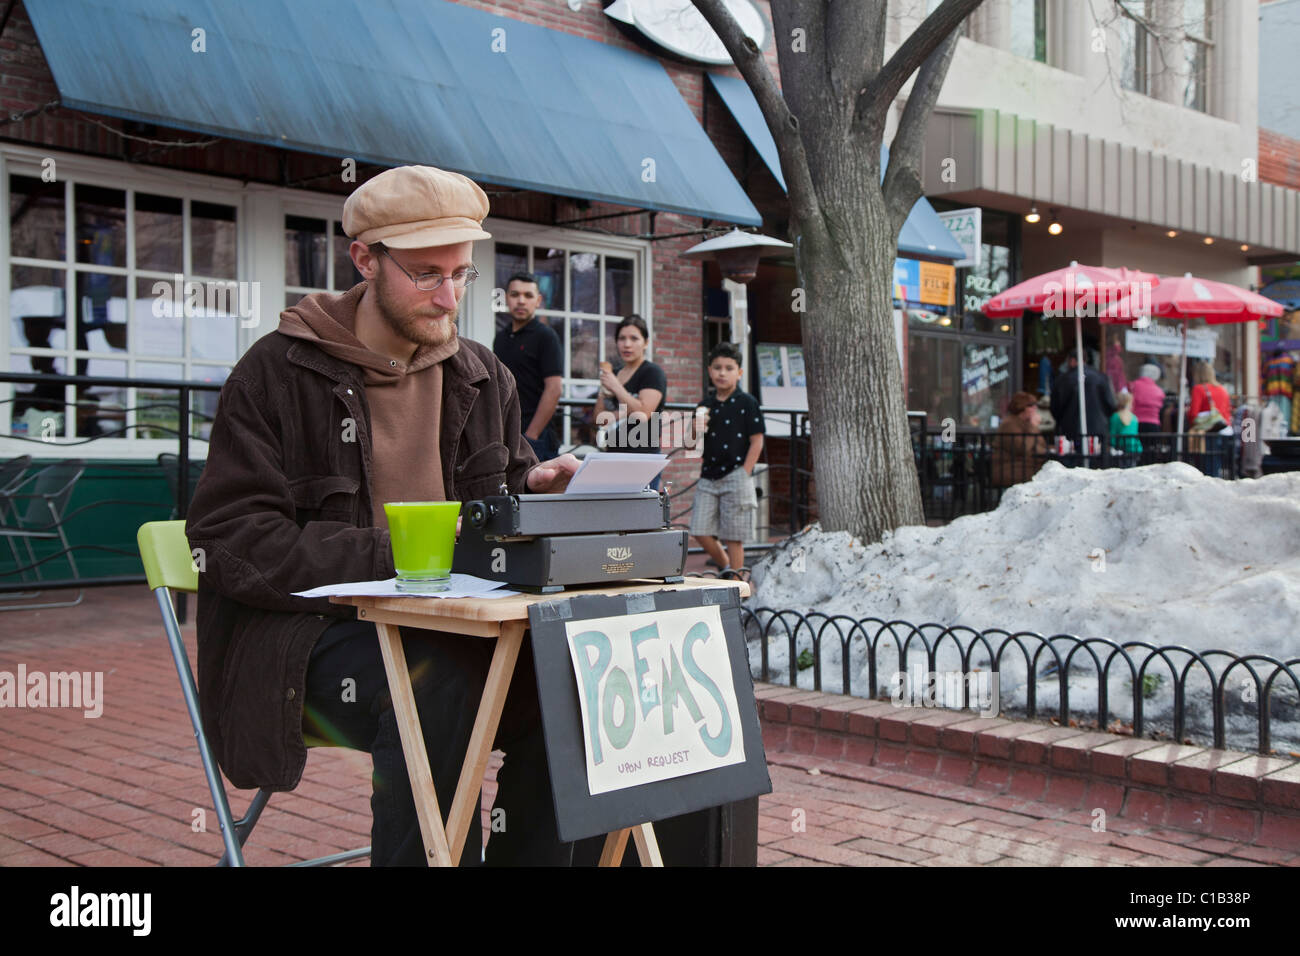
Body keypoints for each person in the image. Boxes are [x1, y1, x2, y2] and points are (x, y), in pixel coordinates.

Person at [185, 165, 580, 867]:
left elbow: (501, 498)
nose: (449, 296)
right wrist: (396, 554)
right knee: (438, 679)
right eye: (427, 274)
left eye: (462, 274)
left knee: (572, 682)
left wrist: (538, 493)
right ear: (364, 258)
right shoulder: (275, 373)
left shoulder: (483, 374)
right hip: (309, 641)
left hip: (462, 628)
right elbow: (230, 542)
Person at [690, 342, 765, 573]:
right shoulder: (705, 405)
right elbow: (692, 446)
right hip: (709, 476)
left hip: (736, 474)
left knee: (734, 536)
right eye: (717, 367)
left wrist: (745, 472)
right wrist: (694, 428)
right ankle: (725, 567)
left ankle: (737, 582)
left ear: (739, 372)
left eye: (729, 368)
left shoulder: (748, 403)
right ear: (710, 371)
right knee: (700, 530)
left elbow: (757, 440)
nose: (722, 372)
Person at [493, 272, 563, 461]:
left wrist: (531, 435)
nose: (521, 301)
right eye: (515, 295)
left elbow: (554, 389)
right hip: (505, 435)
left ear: (538, 301)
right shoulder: (501, 338)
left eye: (528, 295)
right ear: (506, 297)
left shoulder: (546, 336)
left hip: (536, 437)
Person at [596, 314, 667, 485]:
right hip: (612, 456)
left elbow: (643, 413)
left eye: (634, 338)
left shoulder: (652, 372)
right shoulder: (616, 373)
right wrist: (603, 391)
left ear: (646, 342)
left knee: (641, 511)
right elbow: (599, 418)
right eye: (622, 338)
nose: (627, 344)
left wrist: (616, 387)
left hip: (642, 458)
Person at [1050, 350, 1117, 452]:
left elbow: (1055, 407)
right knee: (1096, 464)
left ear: (1072, 360)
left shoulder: (1063, 379)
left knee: (1072, 463)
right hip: (1097, 430)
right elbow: (1110, 405)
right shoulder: (1101, 377)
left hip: (1070, 430)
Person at [991, 391, 1047, 488]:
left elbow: (1041, 444)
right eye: (1031, 405)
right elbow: (1022, 448)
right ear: (1021, 407)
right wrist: (1033, 426)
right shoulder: (1009, 424)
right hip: (1010, 469)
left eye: (1035, 405)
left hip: (1027, 465)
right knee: (1048, 475)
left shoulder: (1026, 423)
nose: (1035, 408)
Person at [1188, 360, 1230, 428]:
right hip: (1224, 428)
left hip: (1208, 429)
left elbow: (1193, 414)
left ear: (1197, 374)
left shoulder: (1198, 389)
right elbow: (1227, 411)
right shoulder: (1222, 389)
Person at [1130, 362, 1165, 435]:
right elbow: (1161, 407)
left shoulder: (1133, 386)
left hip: (1136, 423)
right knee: (1151, 446)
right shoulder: (1159, 391)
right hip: (1154, 425)